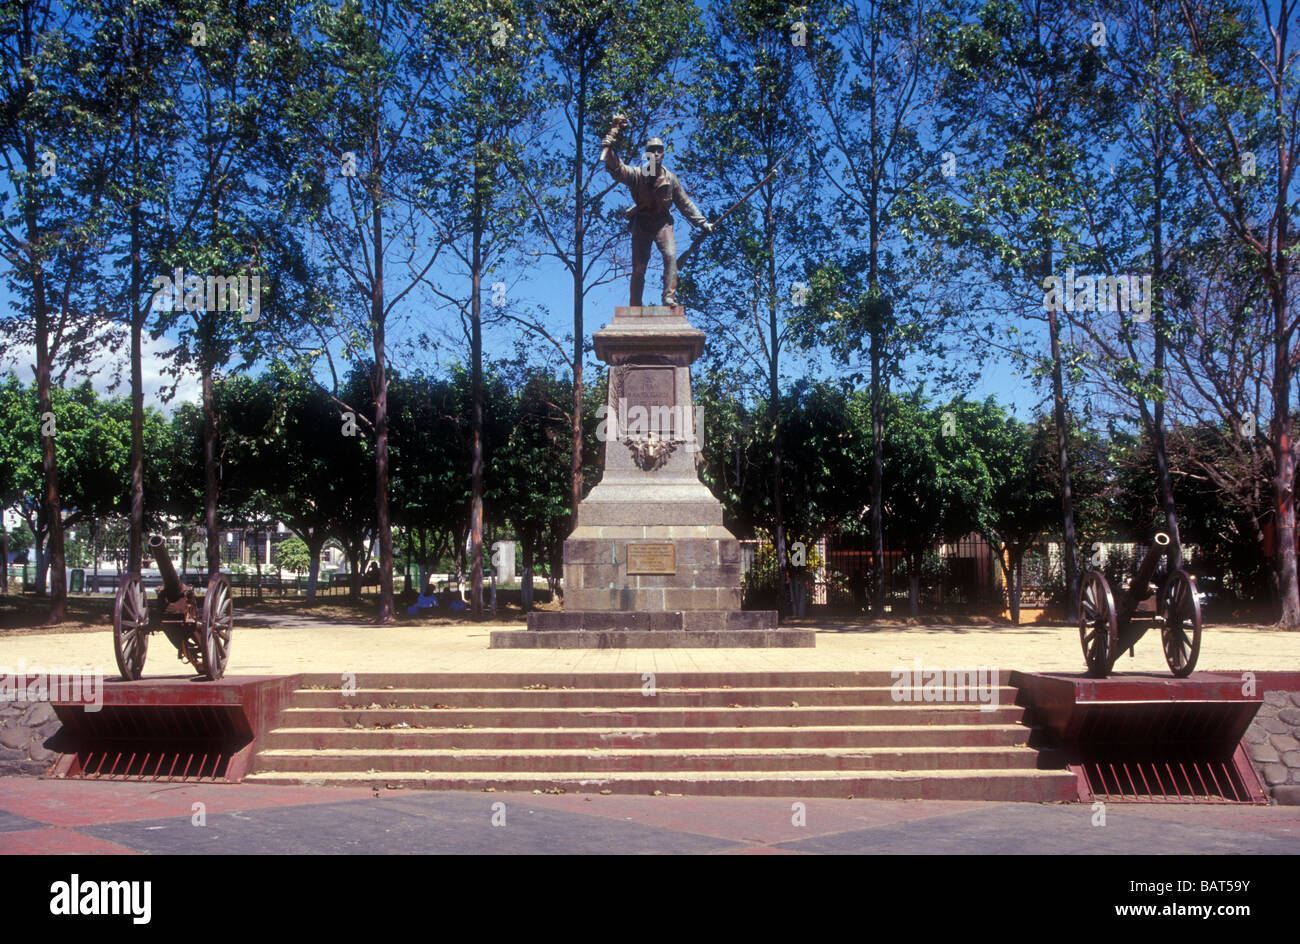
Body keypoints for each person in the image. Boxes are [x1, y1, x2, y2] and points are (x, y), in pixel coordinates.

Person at [602, 116, 712, 306]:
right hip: (642, 223)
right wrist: (610, 148)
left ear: (663, 154)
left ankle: (668, 297)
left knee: (670, 256)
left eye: (659, 151)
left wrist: (702, 222)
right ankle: (635, 304)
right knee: (639, 268)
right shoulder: (637, 175)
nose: (655, 154)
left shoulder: (671, 180)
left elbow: (685, 204)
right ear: (647, 155)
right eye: (651, 151)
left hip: (662, 223)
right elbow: (617, 168)